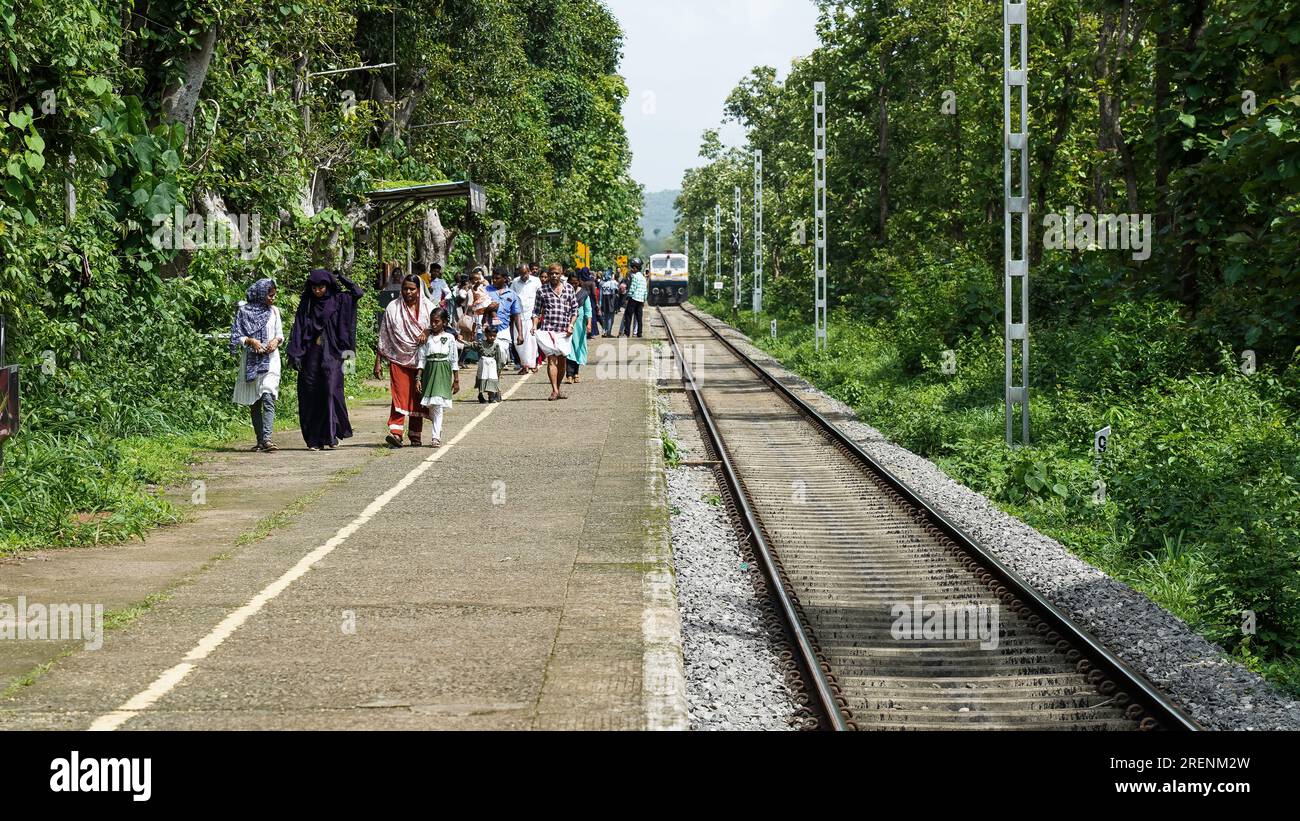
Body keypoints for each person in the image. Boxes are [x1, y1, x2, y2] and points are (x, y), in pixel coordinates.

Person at [287, 268, 362, 451]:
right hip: (311, 353)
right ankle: (314, 439)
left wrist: (342, 278)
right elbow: (298, 327)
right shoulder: (308, 303)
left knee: (330, 390)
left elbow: (357, 293)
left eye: (321, 287)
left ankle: (330, 435)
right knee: (312, 394)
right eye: (314, 287)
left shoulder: (339, 300)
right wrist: (295, 354)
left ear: (327, 286)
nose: (318, 291)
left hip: (334, 353)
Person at [376, 274, 433, 448]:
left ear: (419, 290)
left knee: (418, 396)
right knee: (399, 395)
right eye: (405, 288)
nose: (408, 292)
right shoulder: (393, 308)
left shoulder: (429, 308)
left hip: (421, 359)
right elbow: (384, 334)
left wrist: (427, 331)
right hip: (398, 358)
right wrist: (378, 360)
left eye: (412, 289)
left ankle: (415, 435)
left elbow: (440, 326)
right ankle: (396, 433)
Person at [230, 278, 284, 453]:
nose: (272, 299)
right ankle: (260, 440)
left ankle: (267, 439)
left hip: (271, 361)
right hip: (251, 361)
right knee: (255, 401)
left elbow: (279, 334)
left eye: (274, 295)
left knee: (268, 395)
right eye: (270, 295)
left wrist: (276, 341)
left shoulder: (274, 311)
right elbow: (236, 335)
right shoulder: (244, 312)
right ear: (261, 295)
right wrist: (250, 341)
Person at [533, 263, 579, 401]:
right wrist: (534, 326)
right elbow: (536, 311)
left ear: (561, 274)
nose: (554, 276)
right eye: (551, 273)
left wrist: (571, 325)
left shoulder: (569, 289)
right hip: (548, 330)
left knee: (562, 361)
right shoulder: (542, 291)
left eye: (556, 273)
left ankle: (558, 388)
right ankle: (554, 390)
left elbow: (574, 310)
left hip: (564, 331)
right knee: (551, 359)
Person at [416, 310, 460, 448]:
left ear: (444, 322)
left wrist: (456, 379)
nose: (434, 324)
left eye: (437, 321)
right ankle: (437, 427)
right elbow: (421, 359)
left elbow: (454, 359)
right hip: (430, 371)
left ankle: (436, 437)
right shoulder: (426, 338)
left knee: (438, 403)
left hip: (443, 370)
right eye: (432, 321)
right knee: (431, 405)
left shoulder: (449, 338)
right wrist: (418, 377)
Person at [510, 262, 542, 374]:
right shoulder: (515, 282)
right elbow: (511, 296)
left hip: (531, 314)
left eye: (525, 273)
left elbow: (541, 296)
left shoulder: (536, 281)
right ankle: (524, 365)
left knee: (531, 341)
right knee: (518, 341)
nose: (524, 275)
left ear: (529, 271)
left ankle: (533, 364)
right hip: (518, 315)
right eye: (521, 273)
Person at [468, 325, 509, 403]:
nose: (492, 338)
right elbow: (472, 345)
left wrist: (499, 368)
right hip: (483, 365)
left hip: (492, 366)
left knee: (492, 380)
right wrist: (461, 342)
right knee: (482, 379)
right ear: (486, 335)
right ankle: (480, 395)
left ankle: (491, 396)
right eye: (490, 336)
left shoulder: (496, 345)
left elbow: (498, 357)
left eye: (494, 336)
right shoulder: (481, 343)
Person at [565, 269, 593, 384]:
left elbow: (588, 310)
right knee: (568, 349)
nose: (573, 285)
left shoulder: (584, 293)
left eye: (576, 283)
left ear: (579, 282)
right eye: (571, 282)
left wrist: (589, 324)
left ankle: (576, 373)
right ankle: (569, 374)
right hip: (567, 323)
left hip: (580, 325)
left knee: (578, 348)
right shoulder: (565, 292)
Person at [620, 258, 647, 338]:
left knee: (628, 316)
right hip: (641, 300)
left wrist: (628, 297)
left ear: (636, 268)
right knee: (639, 317)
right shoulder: (643, 278)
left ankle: (627, 333)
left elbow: (632, 288)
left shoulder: (635, 277)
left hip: (634, 298)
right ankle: (639, 333)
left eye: (633, 267)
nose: (632, 269)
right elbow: (645, 291)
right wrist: (644, 300)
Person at [599, 270, 618, 337]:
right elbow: (614, 293)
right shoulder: (613, 283)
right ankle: (608, 332)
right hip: (610, 301)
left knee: (605, 317)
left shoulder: (601, 283)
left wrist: (600, 303)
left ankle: (604, 331)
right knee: (610, 318)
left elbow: (600, 295)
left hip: (604, 300)